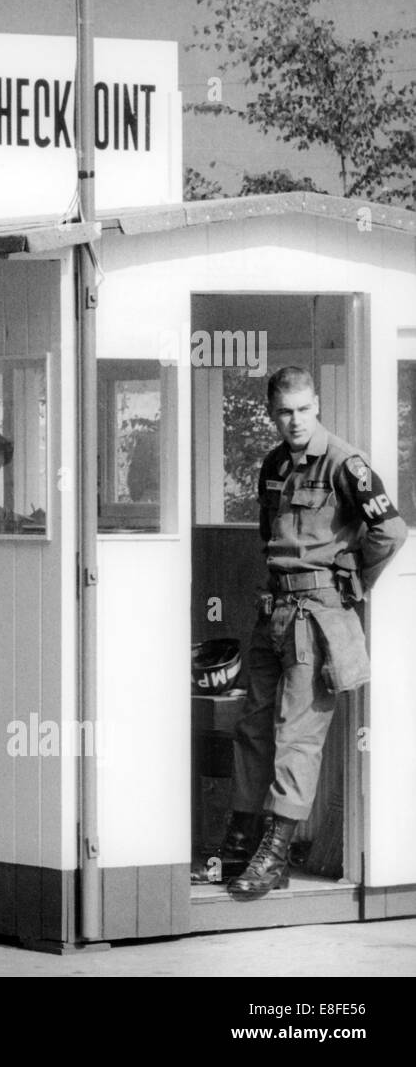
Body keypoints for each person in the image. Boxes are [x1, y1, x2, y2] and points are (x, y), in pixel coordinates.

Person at [219, 366, 407, 898]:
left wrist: (353, 579)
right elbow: (268, 534)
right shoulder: (275, 463)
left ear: (316, 404)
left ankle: (275, 853)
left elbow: (389, 531)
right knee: (252, 726)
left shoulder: (346, 463)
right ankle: (242, 840)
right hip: (272, 609)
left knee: (297, 735)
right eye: (284, 411)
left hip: (316, 613)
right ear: (272, 412)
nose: (295, 420)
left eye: (303, 409)